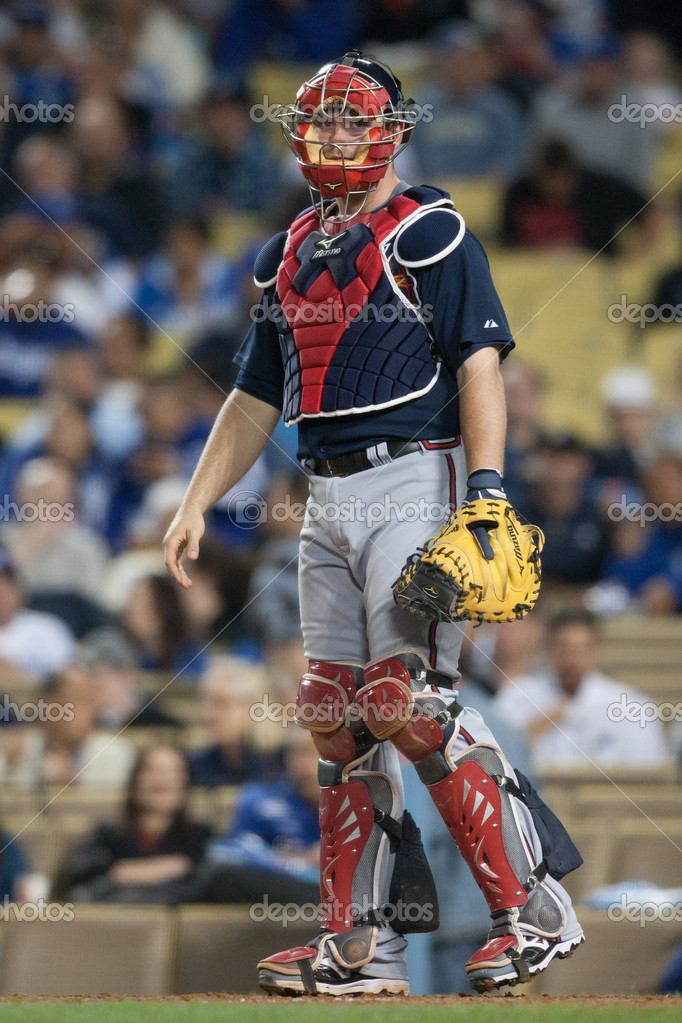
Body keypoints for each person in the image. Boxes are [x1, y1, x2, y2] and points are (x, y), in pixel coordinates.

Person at [164, 52, 584, 996]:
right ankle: (361, 948)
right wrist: (194, 500)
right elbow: (250, 398)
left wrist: (487, 491)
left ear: (391, 129)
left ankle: (534, 906)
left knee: (407, 703)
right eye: (324, 122)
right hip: (327, 492)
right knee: (332, 717)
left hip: (417, 482)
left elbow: (481, 366)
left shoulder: (431, 233)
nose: (338, 137)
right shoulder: (283, 253)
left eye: (356, 122)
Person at [493, 609, 669, 769]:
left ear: (596, 650)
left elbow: (648, 768)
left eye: (581, 649)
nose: (572, 660)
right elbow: (494, 755)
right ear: (549, 648)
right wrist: (544, 722)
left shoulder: (631, 705)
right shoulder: (516, 695)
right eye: (564, 648)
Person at [61, 744, 210, 903]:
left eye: (174, 771)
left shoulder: (200, 838)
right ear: (135, 779)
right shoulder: (108, 837)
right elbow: (81, 883)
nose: (163, 778)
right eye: (153, 770)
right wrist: (174, 866)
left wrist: (124, 871)